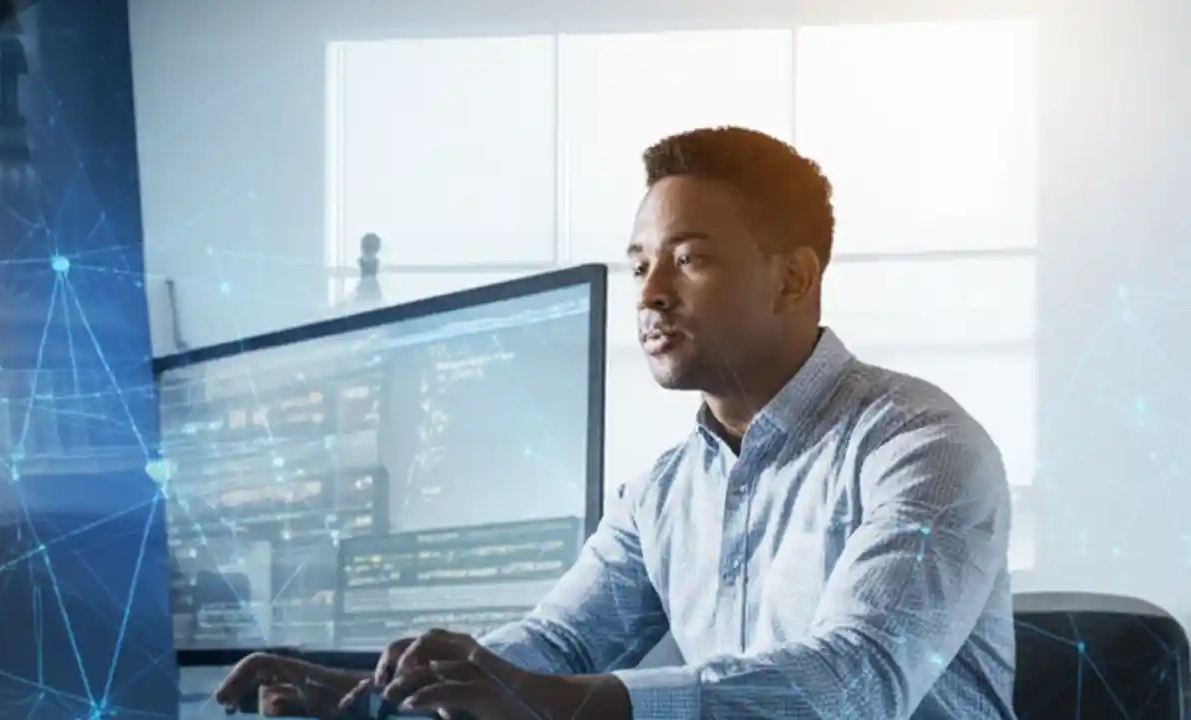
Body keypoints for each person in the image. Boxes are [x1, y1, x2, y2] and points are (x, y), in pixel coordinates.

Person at [215, 126, 1016, 719]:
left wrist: (556, 703)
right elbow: (554, 649)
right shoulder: (661, 494)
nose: (648, 293)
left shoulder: (922, 448)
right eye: (639, 264)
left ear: (793, 278)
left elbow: (857, 682)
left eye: (689, 258)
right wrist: (380, 697)